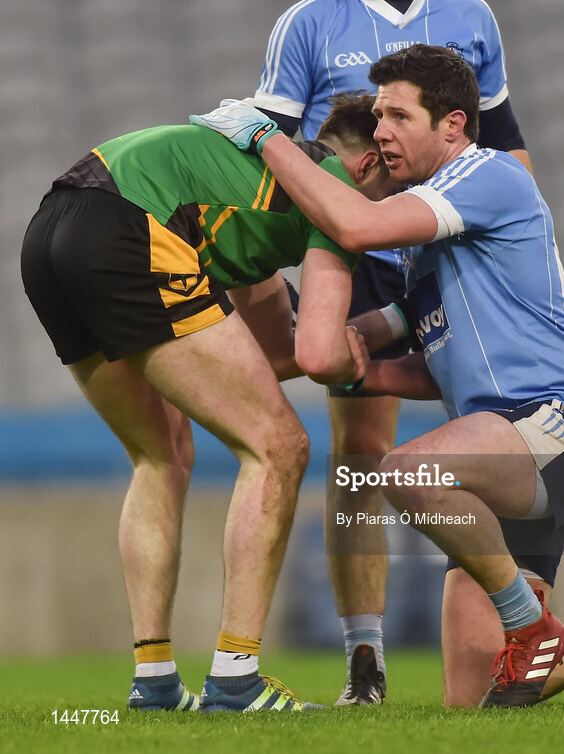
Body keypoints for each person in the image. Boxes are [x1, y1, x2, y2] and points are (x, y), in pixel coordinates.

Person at [190, 43, 564, 707]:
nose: (381, 131)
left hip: (559, 427)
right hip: (493, 457)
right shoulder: (427, 243)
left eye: (398, 116)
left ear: (452, 126)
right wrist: (353, 359)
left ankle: (529, 625)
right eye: (378, 116)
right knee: (473, 701)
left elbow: (354, 225)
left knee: (403, 472)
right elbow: (432, 359)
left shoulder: (488, 174)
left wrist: (265, 138)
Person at [252, 0, 530, 705]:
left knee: (486, 434)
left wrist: (521, 249)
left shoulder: (472, 16)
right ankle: (365, 661)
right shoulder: (307, 25)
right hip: (363, 257)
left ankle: (520, 627)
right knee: (361, 458)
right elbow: (273, 156)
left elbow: (504, 142)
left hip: (448, 254)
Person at [20, 97, 392, 714]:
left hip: (52, 231)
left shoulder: (254, 190)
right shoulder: (334, 191)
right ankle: (236, 680)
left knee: (161, 455)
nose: (389, 217)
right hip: (132, 226)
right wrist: (369, 345)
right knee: (279, 447)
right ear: (369, 165)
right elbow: (320, 356)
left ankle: (155, 683)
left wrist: (324, 344)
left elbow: (269, 356)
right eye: (394, 193)